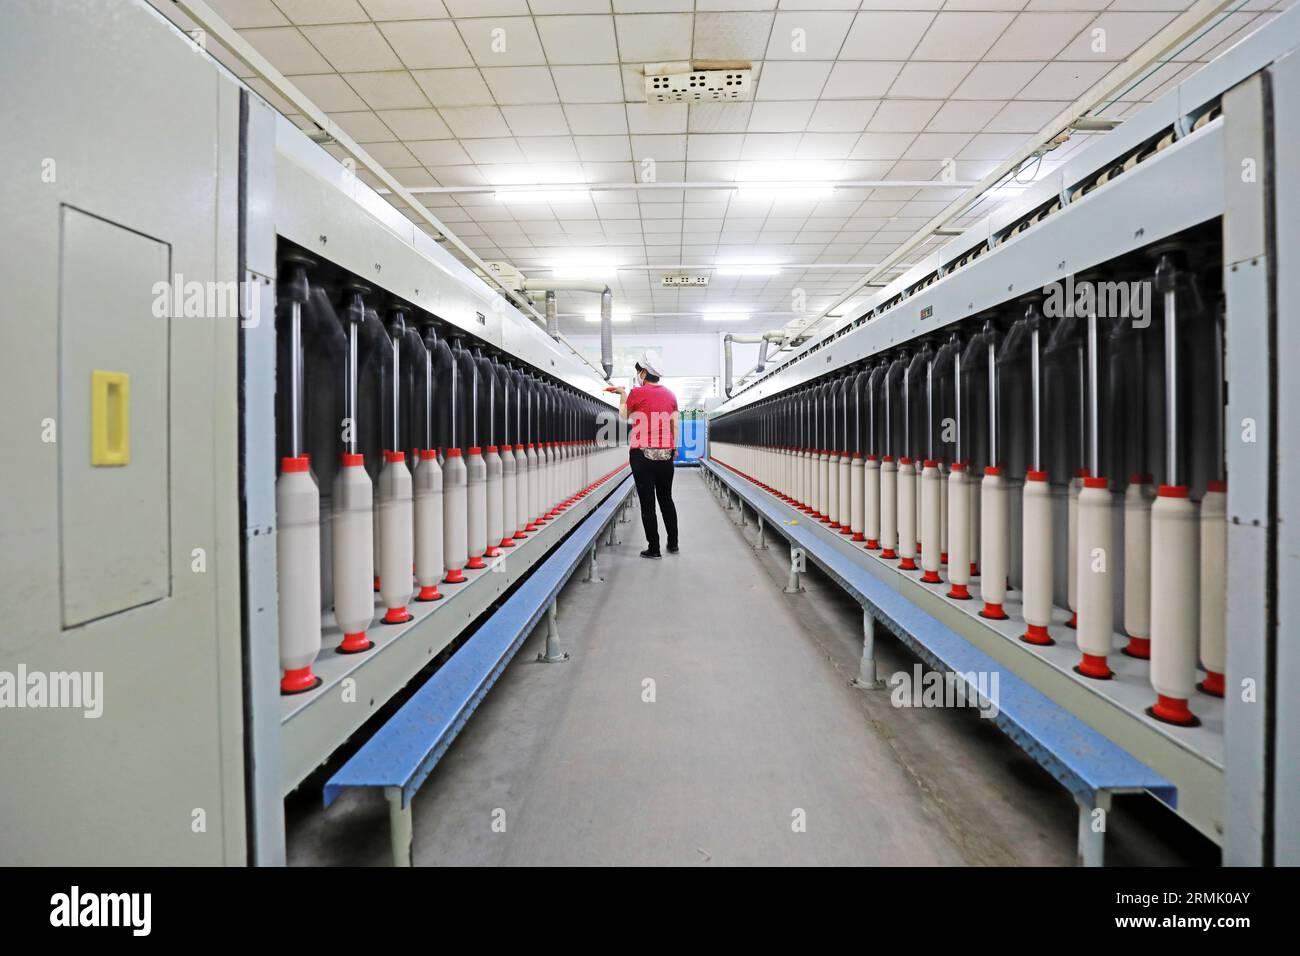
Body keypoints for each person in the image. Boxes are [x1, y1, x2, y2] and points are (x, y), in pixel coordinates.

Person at [612, 350, 679, 559]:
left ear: (643, 373)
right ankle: (673, 544)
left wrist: (623, 395)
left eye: (639, 371)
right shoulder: (670, 395)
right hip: (666, 455)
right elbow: (675, 424)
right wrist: (673, 447)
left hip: (642, 456)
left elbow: (624, 415)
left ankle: (654, 548)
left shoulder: (637, 393)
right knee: (666, 499)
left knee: (648, 502)